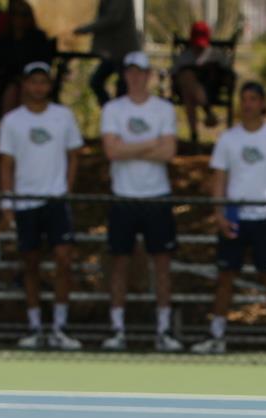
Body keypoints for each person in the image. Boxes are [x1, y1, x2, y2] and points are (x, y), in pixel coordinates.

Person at [192, 80, 266, 358]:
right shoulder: (228, 139)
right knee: (225, 277)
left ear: (262, 103)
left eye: (253, 99)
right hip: (234, 218)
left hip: (265, 219)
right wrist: (219, 214)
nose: (248, 104)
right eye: (244, 99)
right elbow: (219, 179)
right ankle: (216, 337)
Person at [0, 60, 84, 349]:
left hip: (55, 200)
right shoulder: (12, 122)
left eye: (43, 81)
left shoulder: (63, 116)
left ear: (50, 85)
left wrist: (66, 190)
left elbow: (74, 155)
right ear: (25, 84)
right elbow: (6, 164)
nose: (38, 87)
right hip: (25, 202)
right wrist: (7, 202)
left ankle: (59, 327)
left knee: (63, 259)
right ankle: (35, 327)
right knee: (30, 263)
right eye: (33, 81)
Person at [98, 51, 181, 352]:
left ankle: (163, 330)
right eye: (131, 71)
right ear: (125, 75)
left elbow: (168, 152)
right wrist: (150, 143)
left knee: (161, 265)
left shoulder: (164, 109)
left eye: (141, 71)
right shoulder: (112, 109)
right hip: (123, 197)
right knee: (119, 264)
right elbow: (112, 152)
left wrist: (128, 146)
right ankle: (118, 329)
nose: (136, 76)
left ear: (148, 75)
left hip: (157, 197)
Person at [0, 0, 53, 128]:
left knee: (25, 89)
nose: (20, 19)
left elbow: (43, 62)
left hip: (32, 79)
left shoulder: (38, 38)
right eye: (16, 14)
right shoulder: (4, 40)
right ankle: (11, 130)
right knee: (12, 91)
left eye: (24, 15)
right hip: (8, 81)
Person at [74, 0, 138, 110]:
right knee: (97, 82)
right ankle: (112, 112)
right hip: (115, 53)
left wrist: (85, 29)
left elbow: (113, 18)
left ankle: (116, 114)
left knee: (121, 88)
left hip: (124, 52)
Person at [171, 20, 234, 131]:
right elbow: (174, 74)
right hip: (187, 90)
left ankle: (194, 134)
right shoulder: (185, 56)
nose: (199, 48)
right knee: (187, 79)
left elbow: (228, 72)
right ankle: (208, 112)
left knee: (187, 88)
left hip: (210, 90)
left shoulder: (215, 54)